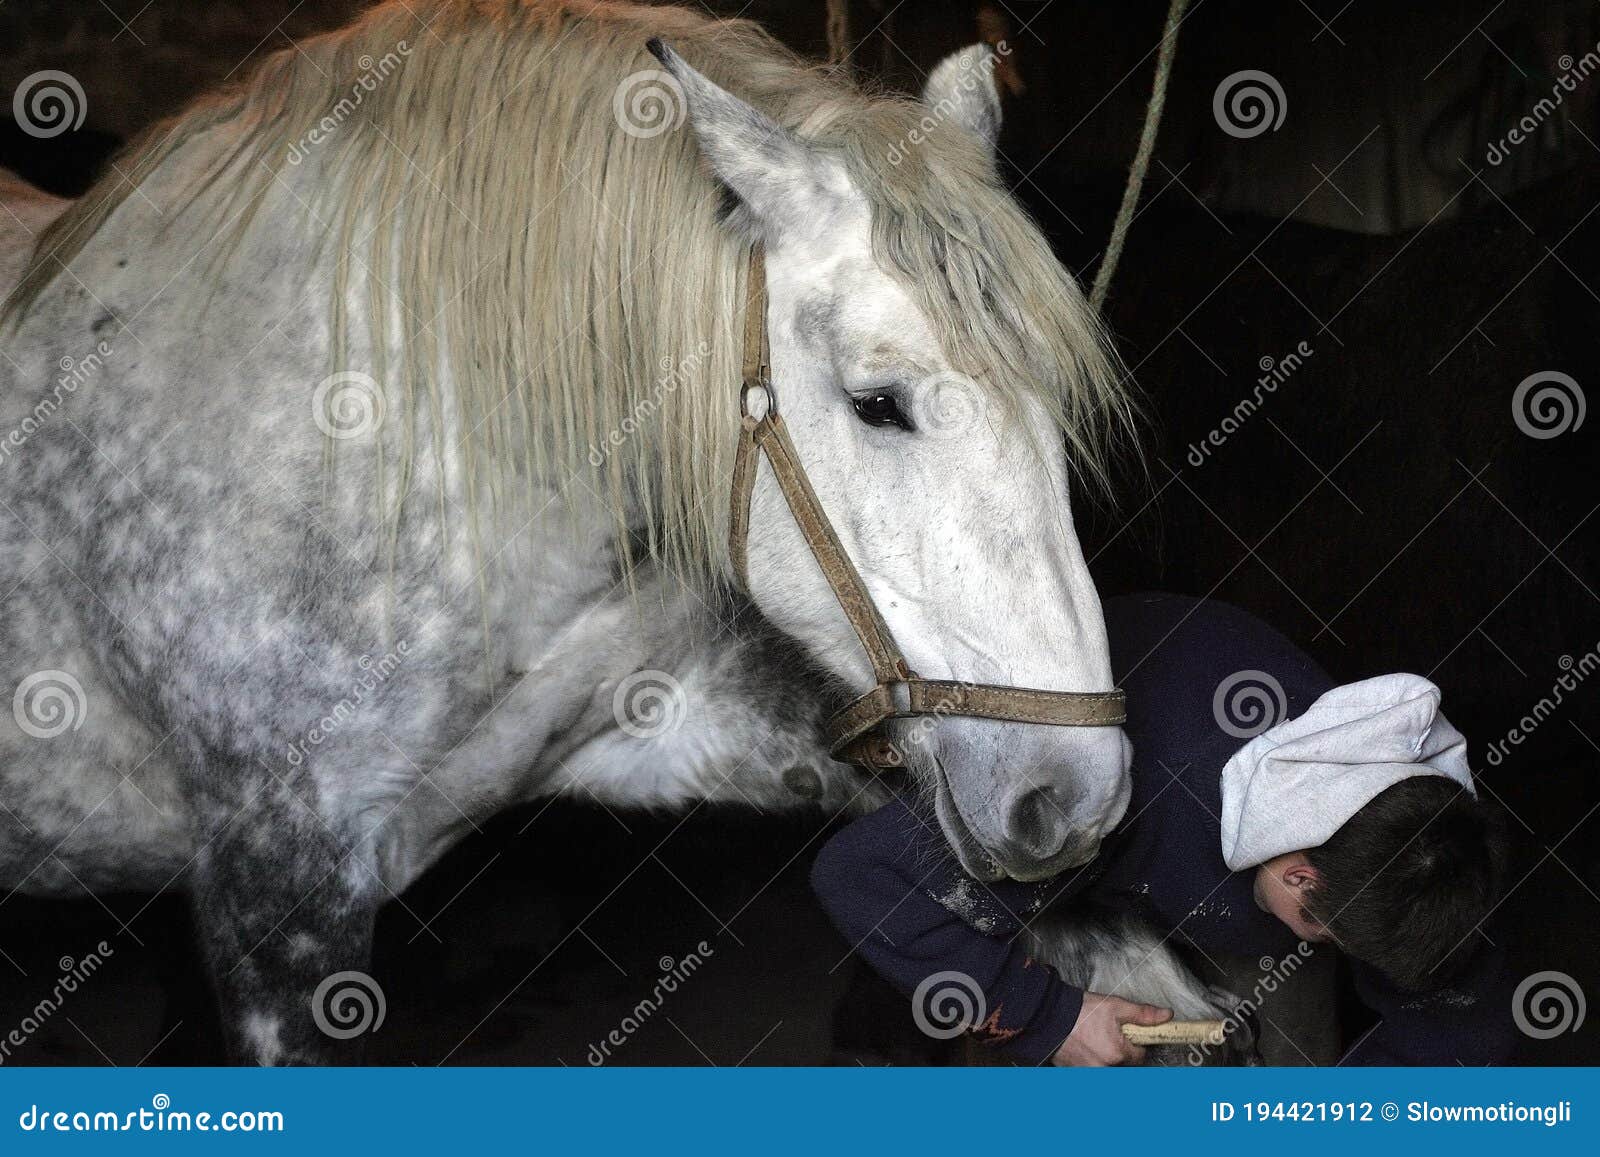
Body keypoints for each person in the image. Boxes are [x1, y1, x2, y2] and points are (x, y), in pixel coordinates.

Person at [810, 593, 1512, 1065]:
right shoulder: (1105, 799)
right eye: (1323, 929)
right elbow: (857, 874)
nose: (1325, 944)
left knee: (1289, 1065)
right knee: (957, 1005)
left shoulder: (1422, 831)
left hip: (1195, 822)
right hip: (1092, 792)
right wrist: (1050, 1016)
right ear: (1299, 871)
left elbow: (1450, 1019)